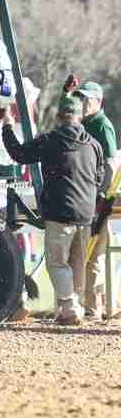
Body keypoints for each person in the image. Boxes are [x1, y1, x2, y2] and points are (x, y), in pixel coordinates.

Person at [1, 93, 106, 326]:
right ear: (79, 117)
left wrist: (7, 126)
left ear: (59, 117)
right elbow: (99, 177)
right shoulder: (94, 144)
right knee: (77, 263)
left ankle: (69, 309)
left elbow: (18, 154)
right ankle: (72, 307)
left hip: (60, 214)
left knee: (57, 263)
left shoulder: (51, 140)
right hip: (86, 215)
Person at [74, 81, 119, 318]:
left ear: (98, 102)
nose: (82, 103)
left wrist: (100, 196)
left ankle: (93, 309)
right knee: (88, 255)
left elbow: (111, 164)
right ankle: (96, 306)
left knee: (92, 257)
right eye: (80, 99)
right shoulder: (85, 123)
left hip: (97, 201)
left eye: (86, 100)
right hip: (86, 198)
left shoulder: (102, 125)